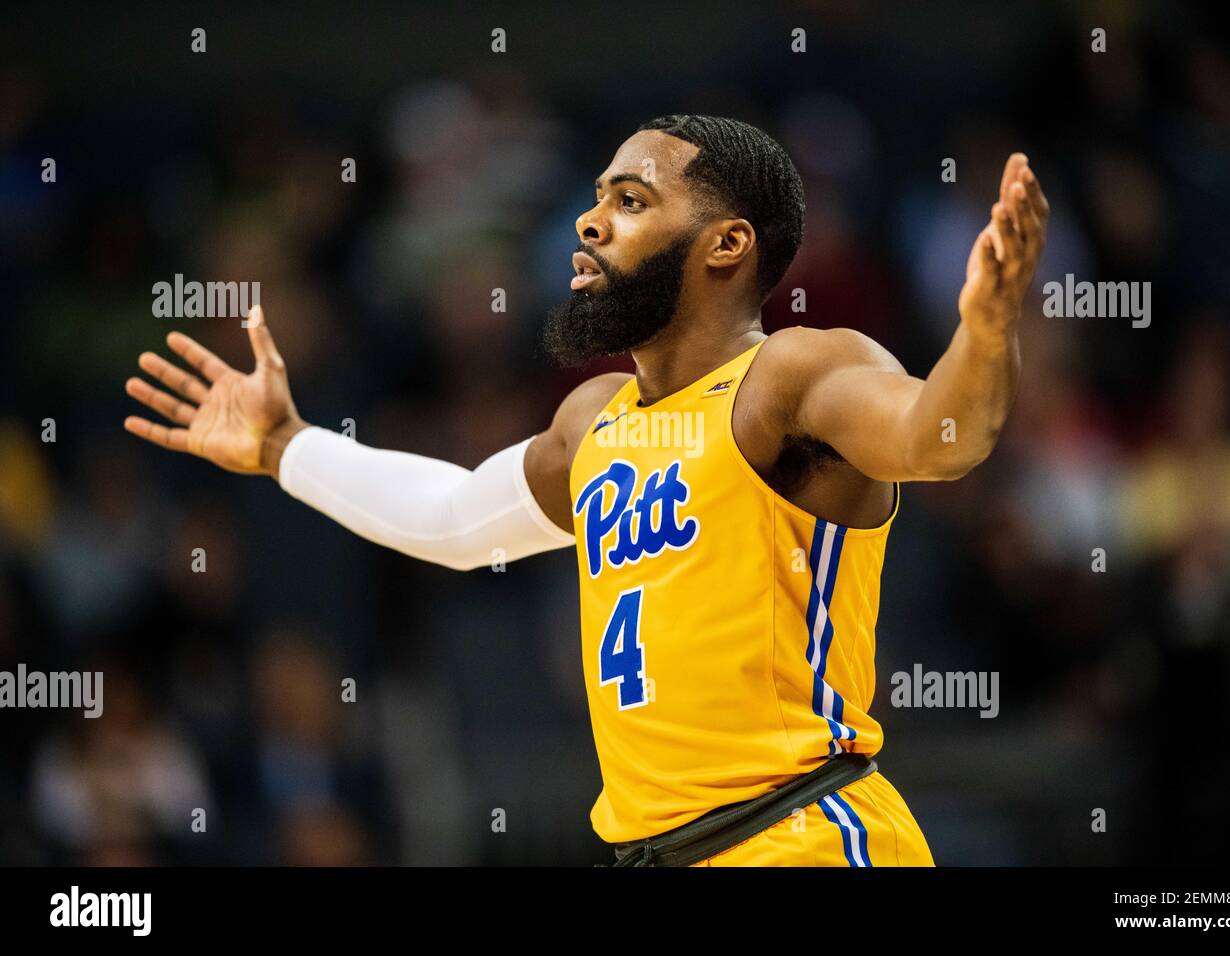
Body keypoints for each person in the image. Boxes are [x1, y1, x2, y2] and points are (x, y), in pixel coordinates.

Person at [124, 114, 1048, 866]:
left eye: (632, 199)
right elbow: (452, 521)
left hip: (799, 834)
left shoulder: (793, 375)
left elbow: (942, 438)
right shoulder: (595, 420)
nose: (589, 220)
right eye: (597, 195)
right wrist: (288, 445)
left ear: (726, 244)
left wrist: (987, 328)